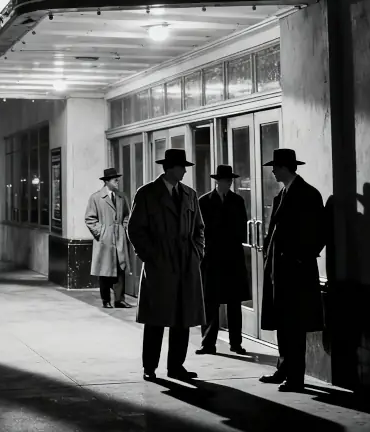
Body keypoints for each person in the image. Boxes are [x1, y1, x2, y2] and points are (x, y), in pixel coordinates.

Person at [128, 148, 205, 382]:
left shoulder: (190, 195)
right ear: (169, 168)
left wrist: (197, 253)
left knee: (182, 319)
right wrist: (152, 256)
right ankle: (149, 366)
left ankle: (176, 366)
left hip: (186, 265)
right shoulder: (147, 193)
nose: (184, 171)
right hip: (160, 265)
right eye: (181, 167)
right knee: (156, 319)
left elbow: (199, 229)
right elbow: (135, 230)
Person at [259, 148, 326, 392]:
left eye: (275, 167)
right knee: (283, 323)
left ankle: (295, 378)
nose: (273, 171)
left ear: (286, 168)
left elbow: (319, 232)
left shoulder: (308, 194)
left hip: (296, 273)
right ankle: (283, 369)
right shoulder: (282, 195)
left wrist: (299, 259)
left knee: (294, 326)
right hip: (279, 271)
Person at [196, 165, 251, 355]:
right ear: (217, 181)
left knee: (234, 303)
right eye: (226, 180)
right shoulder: (204, 201)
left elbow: (242, 228)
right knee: (210, 302)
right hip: (211, 258)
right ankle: (207, 343)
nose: (228, 184)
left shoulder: (237, 201)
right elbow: (199, 230)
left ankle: (236, 343)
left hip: (232, 258)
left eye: (230, 181)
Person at [85, 167, 132, 309]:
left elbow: (127, 215)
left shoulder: (121, 197)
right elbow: (90, 218)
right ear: (106, 181)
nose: (117, 182)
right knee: (104, 270)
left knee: (120, 268)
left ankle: (119, 299)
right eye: (114, 180)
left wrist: (123, 228)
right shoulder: (96, 197)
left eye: (117, 180)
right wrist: (102, 232)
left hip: (119, 238)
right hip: (105, 240)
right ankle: (106, 300)